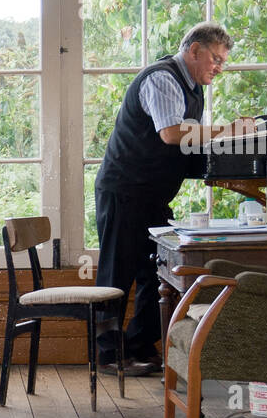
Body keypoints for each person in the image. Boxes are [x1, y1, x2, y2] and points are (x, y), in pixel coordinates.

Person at [93, 22, 256, 376]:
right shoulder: (163, 78)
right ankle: (108, 355)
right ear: (194, 50)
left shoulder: (194, 86)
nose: (219, 67)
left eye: (223, 62)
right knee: (116, 274)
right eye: (215, 58)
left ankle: (140, 347)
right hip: (124, 189)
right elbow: (172, 134)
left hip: (151, 194)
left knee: (154, 270)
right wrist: (230, 131)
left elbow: (189, 142)